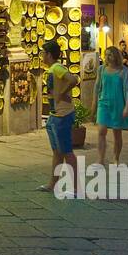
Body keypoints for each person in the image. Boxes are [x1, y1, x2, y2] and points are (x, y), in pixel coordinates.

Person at [39, 40, 79, 194]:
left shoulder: (56, 68)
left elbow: (73, 80)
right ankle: (52, 184)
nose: (42, 56)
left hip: (63, 115)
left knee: (67, 151)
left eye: (43, 53)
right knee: (57, 152)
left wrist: (62, 93)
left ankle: (75, 187)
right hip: (55, 115)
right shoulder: (52, 69)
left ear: (49, 54)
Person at [93, 46, 128, 165]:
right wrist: (94, 102)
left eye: (110, 54)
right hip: (103, 103)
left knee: (117, 132)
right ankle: (100, 159)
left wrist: (127, 107)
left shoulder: (123, 71)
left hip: (118, 104)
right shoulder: (101, 69)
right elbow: (97, 86)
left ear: (116, 56)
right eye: (106, 54)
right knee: (101, 131)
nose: (107, 57)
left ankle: (116, 157)